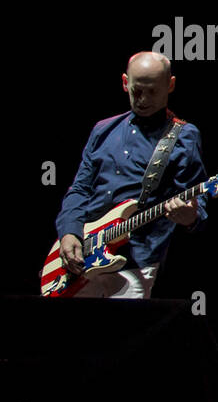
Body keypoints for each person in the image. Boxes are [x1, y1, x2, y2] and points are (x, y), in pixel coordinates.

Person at [55, 52, 206, 298]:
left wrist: (191, 216)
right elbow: (80, 189)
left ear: (170, 85)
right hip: (82, 261)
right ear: (125, 83)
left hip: (135, 265)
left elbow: (198, 202)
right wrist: (69, 232)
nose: (143, 99)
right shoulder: (103, 130)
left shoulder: (184, 136)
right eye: (137, 91)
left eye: (153, 91)